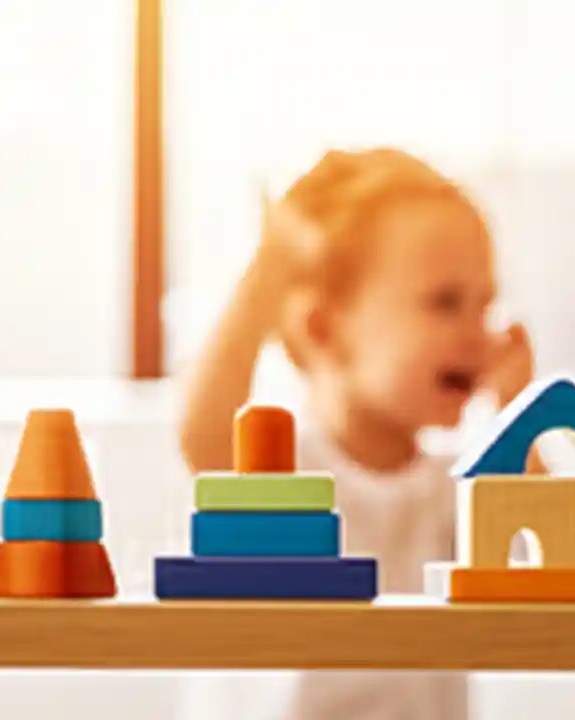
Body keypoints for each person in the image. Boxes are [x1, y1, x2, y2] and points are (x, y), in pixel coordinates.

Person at [179, 148, 534, 720]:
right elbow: (204, 433)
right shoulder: (283, 472)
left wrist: (520, 410)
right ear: (324, 328)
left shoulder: (459, 488)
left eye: (485, 304)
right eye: (445, 303)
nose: (479, 334)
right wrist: (269, 271)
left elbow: (543, 546)